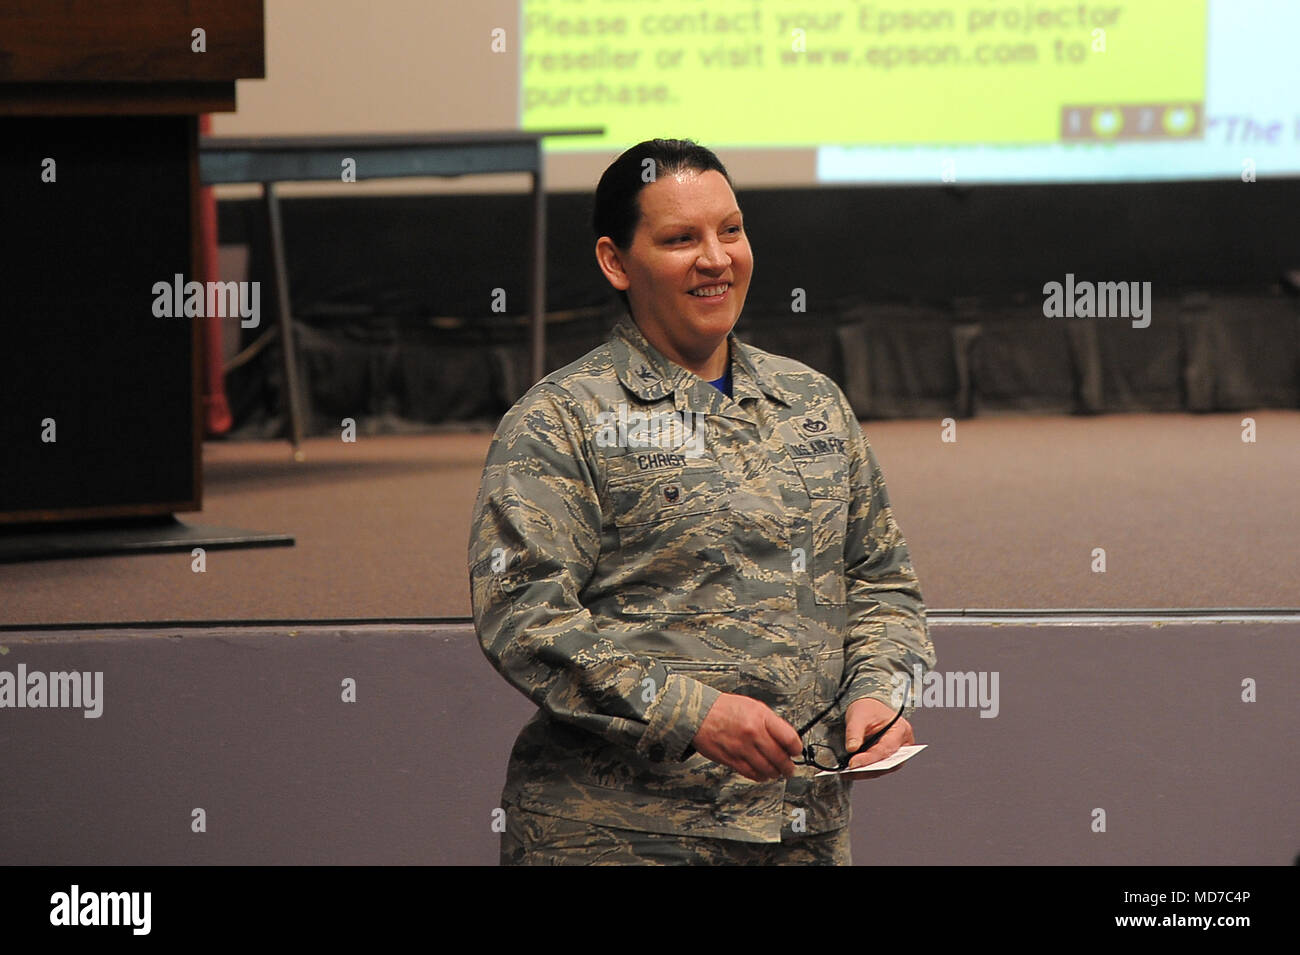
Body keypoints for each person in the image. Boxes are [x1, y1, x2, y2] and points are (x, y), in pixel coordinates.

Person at [467, 138, 935, 865]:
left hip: (801, 831)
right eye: (681, 238)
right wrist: (694, 714)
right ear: (615, 261)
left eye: (732, 229)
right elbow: (524, 613)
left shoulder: (813, 403)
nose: (716, 258)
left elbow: (881, 580)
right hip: (622, 836)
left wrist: (878, 694)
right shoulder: (561, 418)